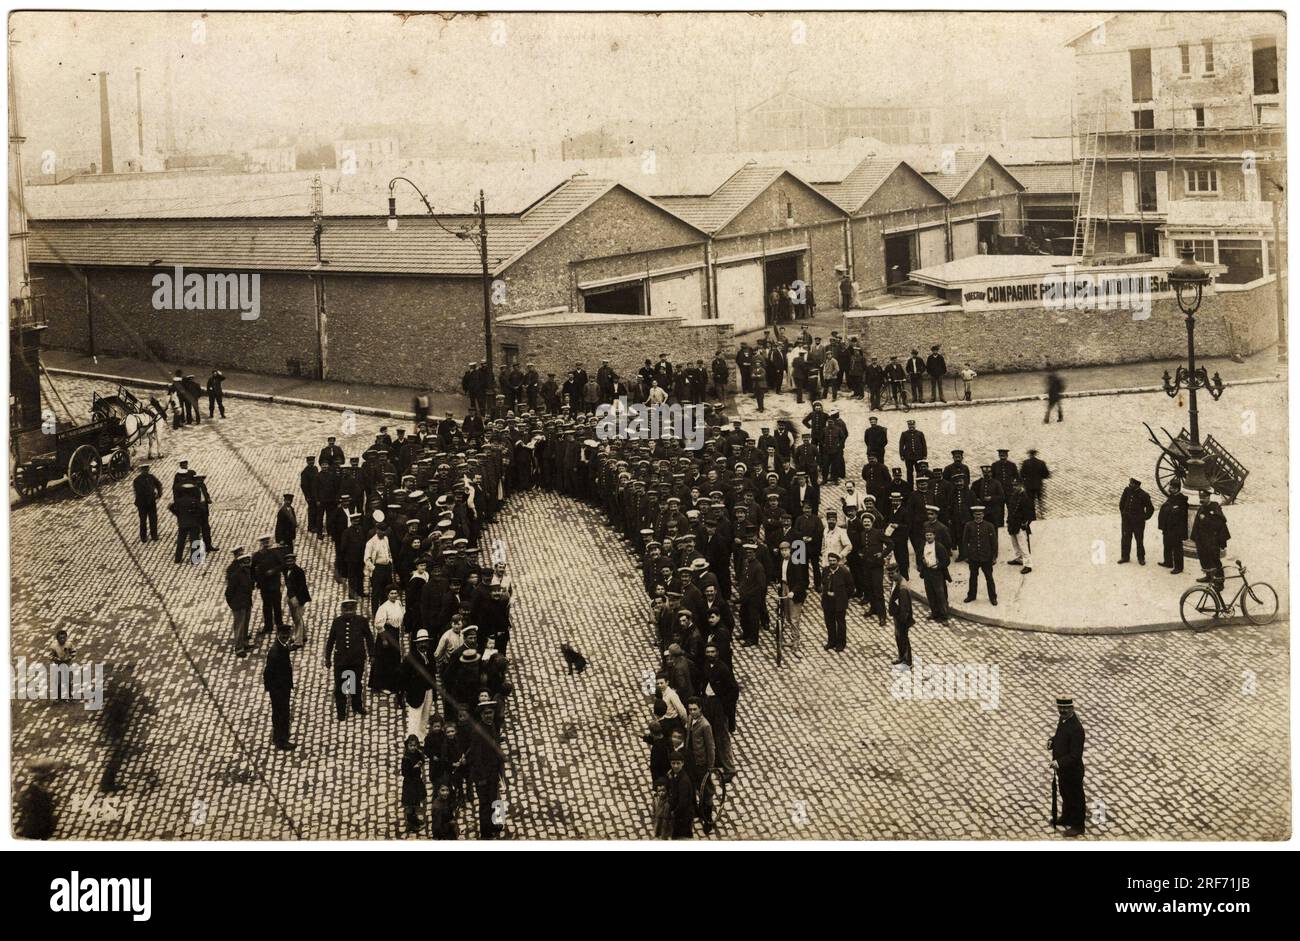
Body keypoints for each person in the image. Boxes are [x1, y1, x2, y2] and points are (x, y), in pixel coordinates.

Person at [325, 598, 373, 720]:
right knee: (341, 686)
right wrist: (327, 658)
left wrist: (372, 655)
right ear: (342, 610)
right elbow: (331, 640)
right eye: (346, 609)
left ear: (355, 609)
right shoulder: (337, 622)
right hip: (341, 661)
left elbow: (369, 638)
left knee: (356, 684)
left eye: (351, 609)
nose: (349, 612)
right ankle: (341, 711)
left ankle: (357, 706)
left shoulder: (362, 621)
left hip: (357, 660)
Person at [1049, 696, 1086, 837]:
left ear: (1072, 708)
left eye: (1066, 708)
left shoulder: (1077, 729)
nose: (1062, 710)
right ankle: (1067, 817)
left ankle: (1078, 825)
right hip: (1063, 771)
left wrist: (1058, 763)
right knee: (1065, 794)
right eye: (1060, 708)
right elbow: (1060, 736)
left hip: (1072, 772)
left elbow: (1075, 756)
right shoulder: (1063, 720)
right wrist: (1052, 741)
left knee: (1076, 798)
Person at [263, 623, 294, 751]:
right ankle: (281, 740)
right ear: (278, 635)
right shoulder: (276, 652)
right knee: (281, 714)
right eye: (283, 635)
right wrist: (272, 689)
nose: (286, 637)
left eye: (287, 635)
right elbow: (268, 672)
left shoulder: (283, 647)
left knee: (281, 713)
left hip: (282, 687)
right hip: (279, 689)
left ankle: (280, 737)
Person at [1190, 490, 1231, 590]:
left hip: (1213, 540)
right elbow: (1197, 523)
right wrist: (1194, 537)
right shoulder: (1202, 507)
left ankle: (1220, 582)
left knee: (1215, 561)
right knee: (1204, 559)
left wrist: (1205, 519)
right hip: (1203, 539)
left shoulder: (1215, 508)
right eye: (1201, 498)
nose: (1202, 500)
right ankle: (1208, 576)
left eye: (1204, 498)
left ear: (1209, 497)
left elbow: (1218, 524)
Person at [962, 505, 998, 605]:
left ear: (983, 515)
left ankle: (993, 597)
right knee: (973, 577)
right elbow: (965, 541)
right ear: (973, 515)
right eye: (976, 514)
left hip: (986, 557)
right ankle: (971, 595)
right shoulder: (968, 525)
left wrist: (994, 557)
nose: (978, 516)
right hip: (973, 557)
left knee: (989, 578)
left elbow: (994, 542)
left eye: (980, 514)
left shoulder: (989, 526)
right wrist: (966, 556)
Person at [917, 526, 951, 622]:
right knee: (930, 593)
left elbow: (947, 561)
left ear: (934, 536)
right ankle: (934, 613)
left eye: (930, 535)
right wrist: (921, 565)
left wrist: (938, 566)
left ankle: (944, 616)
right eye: (927, 535)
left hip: (937, 573)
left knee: (940, 594)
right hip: (927, 573)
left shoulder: (939, 547)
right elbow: (919, 556)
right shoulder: (923, 545)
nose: (928, 537)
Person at [225, 548, 254, 657]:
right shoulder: (235, 575)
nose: (248, 565)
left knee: (245, 624)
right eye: (245, 563)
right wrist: (233, 605)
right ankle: (239, 648)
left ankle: (245, 643)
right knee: (239, 626)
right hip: (239, 605)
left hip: (247, 603)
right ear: (241, 564)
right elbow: (228, 592)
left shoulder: (247, 572)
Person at [821, 550, 853, 652]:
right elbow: (823, 583)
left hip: (839, 603)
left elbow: (850, 588)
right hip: (828, 602)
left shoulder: (844, 572)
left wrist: (842, 597)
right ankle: (831, 641)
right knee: (829, 623)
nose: (832, 563)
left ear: (838, 561)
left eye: (834, 561)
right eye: (830, 561)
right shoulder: (825, 570)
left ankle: (841, 643)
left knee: (840, 624)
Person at [1118, 477, 1154, 565]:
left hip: (1138, 523)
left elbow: (1150, 508)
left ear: (1137, 484)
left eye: (1132, 483)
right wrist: (1124, 514)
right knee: (1126, 538)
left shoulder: (1144, 495)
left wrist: (1144, 518)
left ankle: (1141, 558)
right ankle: (1125, 556)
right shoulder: (1127, 490)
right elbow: (1121, 503)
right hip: (1127, 521)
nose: (1129, 484)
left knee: (1139, 540)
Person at [1157, 481, 1190, 575]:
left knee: (1177, 548)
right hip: (1168, 527)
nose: (1169, 489)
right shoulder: (1172, 497)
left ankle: (1179, 567)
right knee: (1167, 545)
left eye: (1171, 487)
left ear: (1176, 489)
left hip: (1176, 530)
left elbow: (1180, 516)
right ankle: (1168, 562)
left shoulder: (1182, 500)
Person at [282, 551, 311, 649]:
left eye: (291, 561)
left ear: (294, 561)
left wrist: (296, 598)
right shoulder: (286, 570)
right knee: (296, 618)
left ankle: (298, 642)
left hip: (298, 598)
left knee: (298, 619)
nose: (289, 563)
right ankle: (303, 636)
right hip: (291, 597)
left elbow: (302, 586)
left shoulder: (299, 571)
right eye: (288, 561)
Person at [1005, 480, 1035, 574]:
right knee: (1014, 543)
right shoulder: (1013, 495)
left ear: (1021, 485)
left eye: (1016, 485)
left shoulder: (1025, 497)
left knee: (1023, 545)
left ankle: (1028, 565)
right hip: (1012, 523)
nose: (1014, 487)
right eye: (1013, 485)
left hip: (1020, 525)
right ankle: (1019, 558)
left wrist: (1025, 523)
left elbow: (1030, 512)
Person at [887, 563, 913, 668]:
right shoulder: (895, 582)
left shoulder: (902, 587)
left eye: (892, 573)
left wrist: (902, 620)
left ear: (898, 572)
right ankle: (902, 657)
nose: (890, 576)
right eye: (888, 574)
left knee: (903, 638)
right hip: (897, 616)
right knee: (899, 638)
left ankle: (908, 661)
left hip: (902, 618)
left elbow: (905, 607)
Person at [666, 749, 695, 839]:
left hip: (683, 815)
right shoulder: (676, 775)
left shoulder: (683, 781)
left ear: (683, 763)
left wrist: (674, 812)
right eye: (673, 763)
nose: (675, 766)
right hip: (679, 813)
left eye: (678, 763)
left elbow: (683, 802)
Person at [401, 735, 427, 833]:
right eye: (411, 746)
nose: (413, 747)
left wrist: (421, 762)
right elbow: (404, 773)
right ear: (407, 746)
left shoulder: (417, 753)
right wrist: (414, 767)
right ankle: (411, 823)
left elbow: (422, 759)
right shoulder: (406, 758)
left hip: (416, 781)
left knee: (415, 801)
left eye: (415, 745)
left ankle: (414, 818)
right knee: (410, 803)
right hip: (409, 783)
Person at [133, 463, 162, 543]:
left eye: (146, 469)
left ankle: (154, 535)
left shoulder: (151, 477)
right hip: (142, 504)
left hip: (151, 502)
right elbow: (139, 492)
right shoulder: (137, 480)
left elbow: (158, 484)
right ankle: (143, 537)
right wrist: (151, 495)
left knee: (153, 519)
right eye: (144, 469)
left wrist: (159, 494)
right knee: (143, 521)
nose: (145, 471)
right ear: (141, 470)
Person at [1020, 449, 1050, 517]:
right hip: (1038, 484)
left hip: (1029, 486)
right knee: (1040, 500)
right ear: (1035, 454)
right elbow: (1046, 474)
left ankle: (1032, 516)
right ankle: (1042, 514)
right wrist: (1040, 476)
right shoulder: (1041, 463)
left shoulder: (1025, 463)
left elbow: (1021, 474)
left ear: (1029, 454)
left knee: (1030, 501)